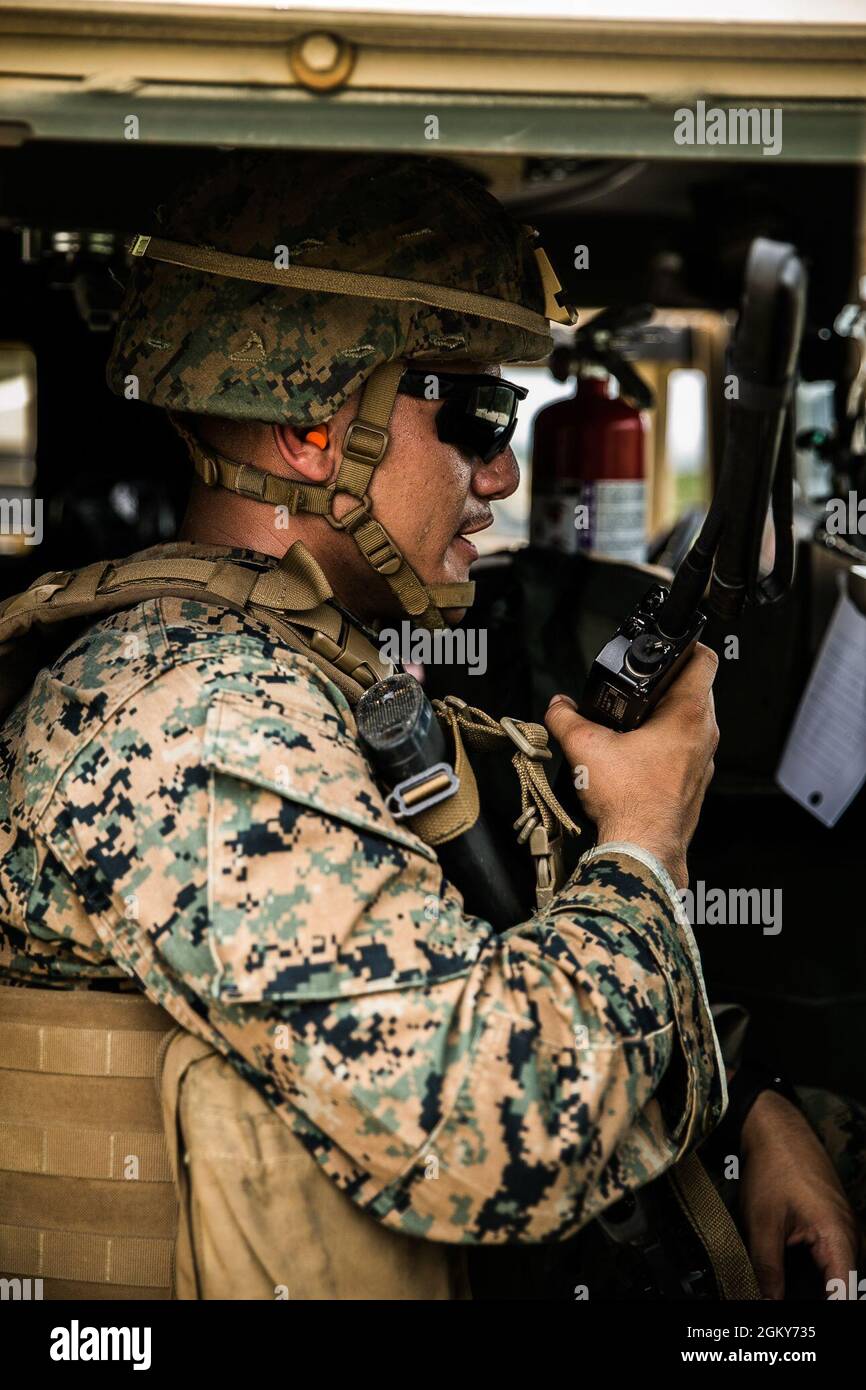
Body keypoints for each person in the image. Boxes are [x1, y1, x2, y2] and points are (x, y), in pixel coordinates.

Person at [0, 152, 857, 1300]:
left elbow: (483, 954)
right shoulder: (198, 722)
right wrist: (644, 841)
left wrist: (750, 1115)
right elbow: (494, 1135)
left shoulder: (297, 679)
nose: (502, 471)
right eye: (473, 412)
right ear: (312, 431)